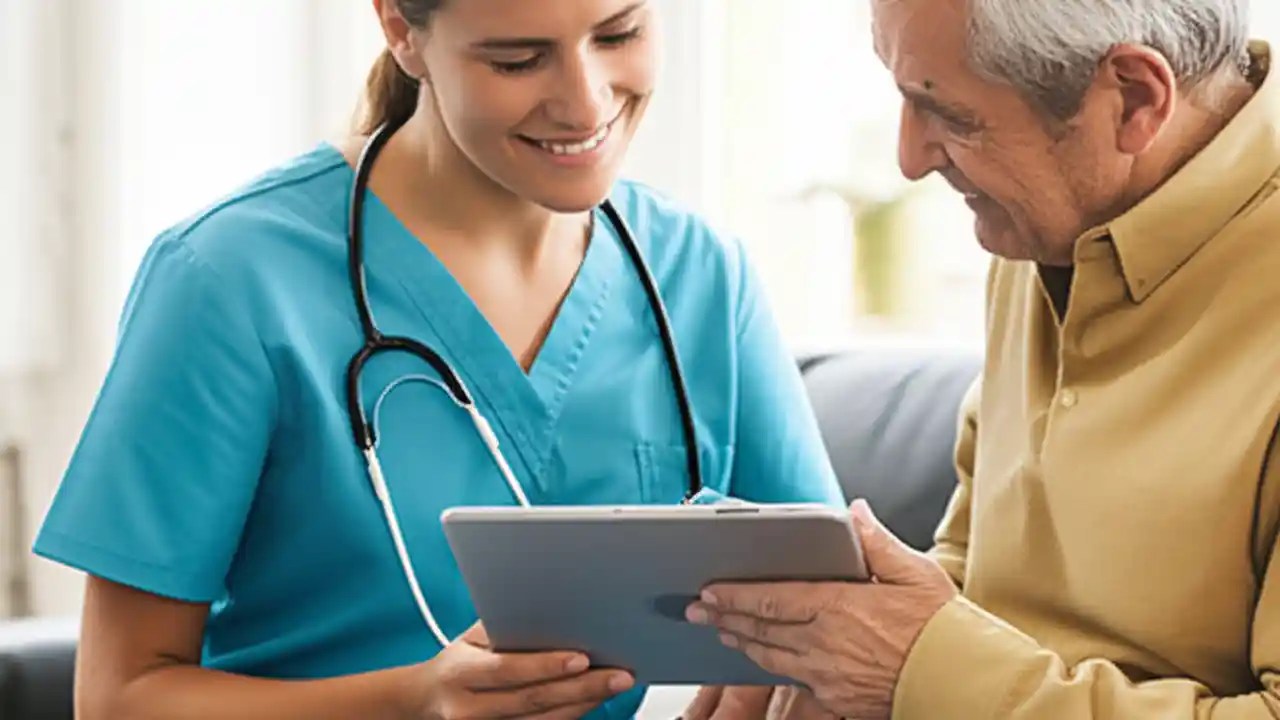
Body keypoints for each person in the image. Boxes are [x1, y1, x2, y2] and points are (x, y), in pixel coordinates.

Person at [31, 1, 845, 718]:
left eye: (619, 32)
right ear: (400, 30)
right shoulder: (231, 279)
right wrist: (413, 702)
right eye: (517, 59)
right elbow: (120, 697)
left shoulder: (700, 275)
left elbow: (827, 624)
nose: (585, 100)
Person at [685, 0, 1280, 718]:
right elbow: (971, 586)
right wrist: (825, 656)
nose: (908, 160)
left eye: (953, 117)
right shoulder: (1048, 223)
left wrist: (920, 674)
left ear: (1133, 99)